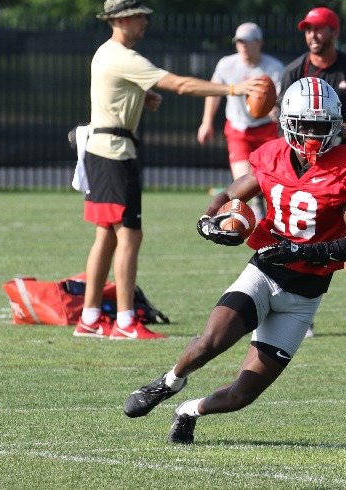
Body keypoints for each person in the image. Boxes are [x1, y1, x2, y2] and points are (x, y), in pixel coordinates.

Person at [122, 77, 346, 444]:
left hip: (303, 297)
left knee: (243, 393)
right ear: (289, 122)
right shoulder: (272, 156)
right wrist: (208, 221)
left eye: (321, 126)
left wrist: (304, 252)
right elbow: (228, 193)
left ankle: (189, 409)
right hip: (264, 272)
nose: (313, 134)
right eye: (305, 124)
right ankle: (168, 383)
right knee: (211, 340)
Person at [74, 0, 266, 340]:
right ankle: (125, 321)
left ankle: (89, 318)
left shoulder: (106, 53)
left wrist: (142, 95)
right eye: (141, 17)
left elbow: (115, 88)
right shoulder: (124, 56)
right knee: (130, 235)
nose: (146, 22)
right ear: (126, 19)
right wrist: (233, 89)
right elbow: (180, 85)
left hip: (100, 150)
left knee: (106, 234)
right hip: (115, 154)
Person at [278, 7, 346, 339]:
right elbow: (284, 126)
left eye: (320, 29)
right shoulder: (295, 71)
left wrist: (327, 131)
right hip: (304, 171)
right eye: (308, 30)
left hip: (345, 167)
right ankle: (301, 314)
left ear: (334, 32)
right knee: (301, 239)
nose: (313, 35)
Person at [197, 22, 284, 221]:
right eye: (239, 42)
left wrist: (274, 109)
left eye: (247, 42)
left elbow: (280, 100)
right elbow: (213, 93)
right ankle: (248, 214)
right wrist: (206, 122)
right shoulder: (227, 64)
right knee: (243, 179)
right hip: (238, 128)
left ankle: (266, 209)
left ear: (259, 43)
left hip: (266, 129)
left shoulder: (274, 67)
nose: (242, 46)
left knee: (268, 179)